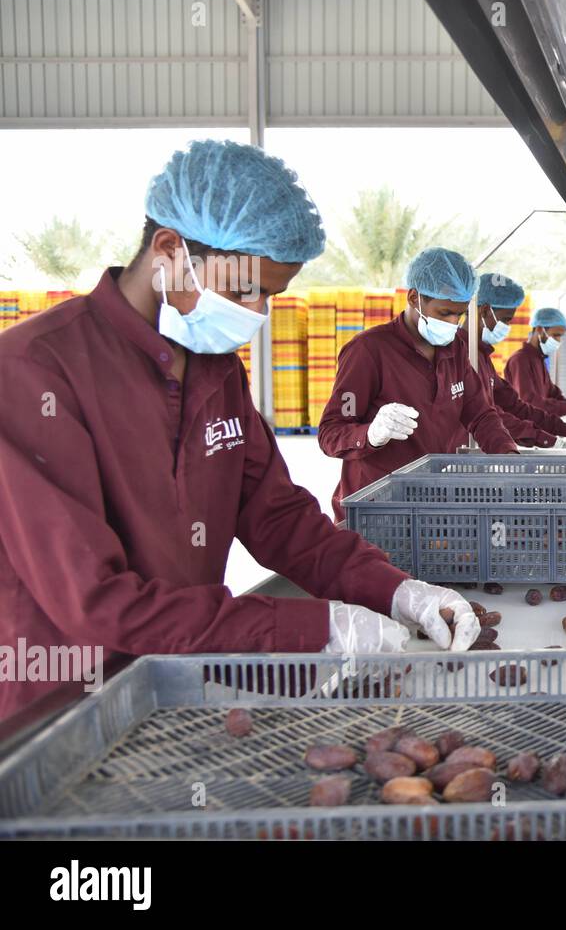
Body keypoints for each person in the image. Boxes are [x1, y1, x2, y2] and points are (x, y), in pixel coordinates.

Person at [0, 140, 481, 721]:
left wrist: (398, 591)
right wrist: (305, 627)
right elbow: (94, 600)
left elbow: (278, 516)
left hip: (182, 682)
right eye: (244, 289)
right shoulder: (35, 372)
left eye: (271, 296)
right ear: (170, 250)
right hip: (68, 709)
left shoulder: (216, 369)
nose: (256, 313)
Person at [318, 248, 518, 519]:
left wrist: (508, 456)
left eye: (458, 315)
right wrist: (371, 434)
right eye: (445, 312)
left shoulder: (455, 348)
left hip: (433, 502)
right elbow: (331, 433)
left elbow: (480, 413)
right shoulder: (368, 351)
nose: (452, 323)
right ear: (414, 298)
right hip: (377, 505)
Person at [455, 273, 566, 450]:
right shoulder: (461, 355)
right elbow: (491, 416)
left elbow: (518, 407)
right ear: (484, 311)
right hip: (467, 449)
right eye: (505, 320)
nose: (507, 327)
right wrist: (550, 440)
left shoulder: (483, 358)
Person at [504, 307, 566, 419]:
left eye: (560, 336)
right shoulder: (520, 360)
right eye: (555, 335)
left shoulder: (538, 360)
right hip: (523, 432)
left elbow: (553, 394)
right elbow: (530, 402)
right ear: (540, 330)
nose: (558, 341)